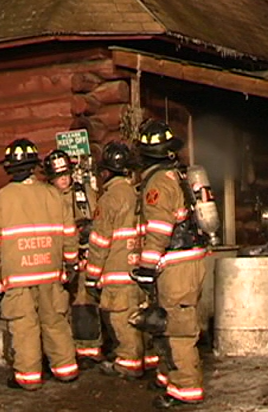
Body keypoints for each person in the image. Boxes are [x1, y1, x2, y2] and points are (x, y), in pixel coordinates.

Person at [0, 138, 79, 391]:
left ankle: (29, 377)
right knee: (55, 321)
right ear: (35, 165)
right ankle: (66, 369)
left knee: (24, 326)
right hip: (51, 272)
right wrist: (71, 264)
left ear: (9, 167)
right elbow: (69, 234)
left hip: (18, 276)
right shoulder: (54, 195)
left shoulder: (2, 198)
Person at [130, 120, 207, 409]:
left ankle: (185, 390)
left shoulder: (159, 183)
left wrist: (147, 268)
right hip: (187, 262)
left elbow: (160, 229)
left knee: (178, 329)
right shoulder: (178, 175)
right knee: (167, 322)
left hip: (176, 265)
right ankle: (168, 375)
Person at [85, 141, 159, 380]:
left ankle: (128, 363)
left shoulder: (108, 200)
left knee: (121, 318)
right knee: (142, 315)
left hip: (117, 273)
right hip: (140, 269)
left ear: (105, 172)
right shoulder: (139, 194)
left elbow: (99, 242)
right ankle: (150, 359)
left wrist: (91, 276)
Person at [43, 149, 103, 369]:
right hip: (55, 257)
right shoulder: (46, 197)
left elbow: (96, 216)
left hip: (83, 254)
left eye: (66, 173)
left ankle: (88, 349)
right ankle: (63, 350)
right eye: (59, 176)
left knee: (83, 301)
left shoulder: (83, 192)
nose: (64, 179)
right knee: (58, 305)